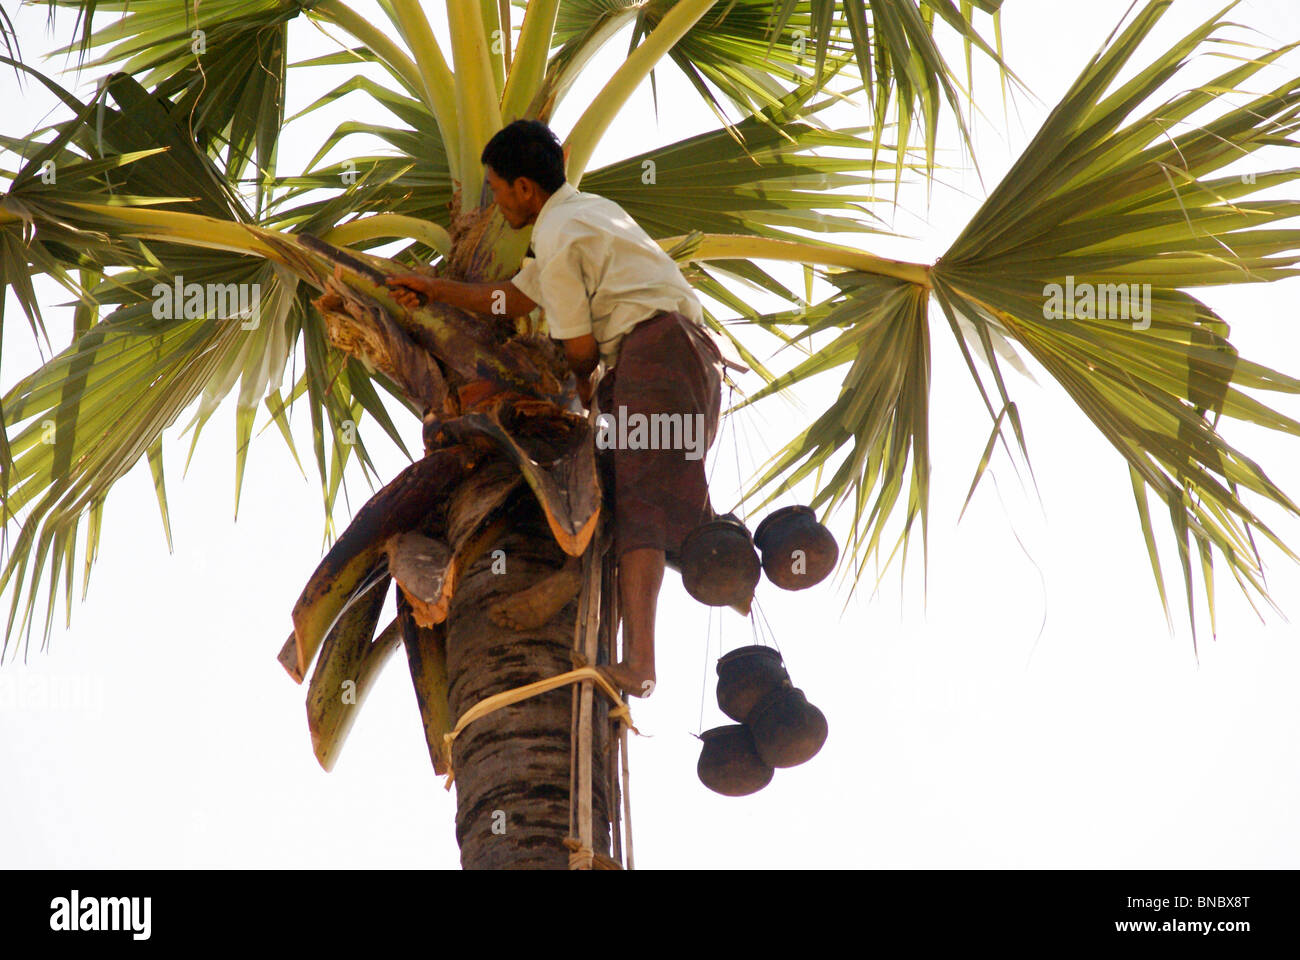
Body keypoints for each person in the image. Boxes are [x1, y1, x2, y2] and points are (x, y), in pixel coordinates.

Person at [388, 119, 724, 699]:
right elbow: (513, 298)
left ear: (524, 187)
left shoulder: (561, 235)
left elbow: (578, 348)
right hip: (683, 363)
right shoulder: (583, 214)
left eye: (495, 188)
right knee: (626, 492)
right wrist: (434, 289)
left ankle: (641, 663)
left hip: (653, 354)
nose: (493, 201)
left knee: (641, 500)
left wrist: (585, 387)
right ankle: (616, 572)